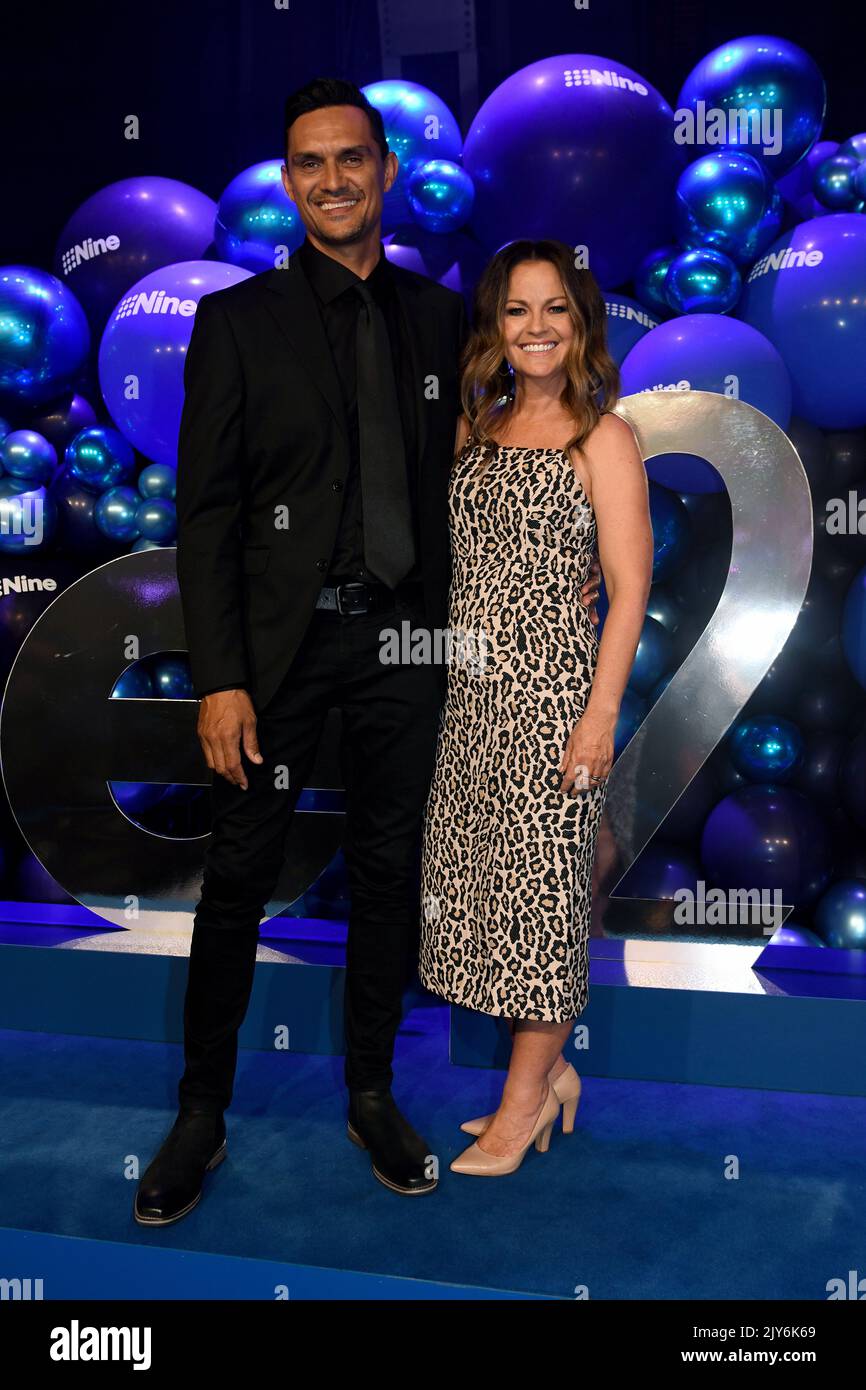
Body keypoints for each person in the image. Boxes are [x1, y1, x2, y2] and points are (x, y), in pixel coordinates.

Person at [134, 82, 602, 1223]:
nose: (333, 178)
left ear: (385, 170)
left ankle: (371, 1092)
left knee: (392, 873)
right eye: (309, 162)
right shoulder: (235, 323)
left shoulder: (443, 316)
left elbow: (526, 435)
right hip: (278, 656)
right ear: (288, 181)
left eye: (352, 158)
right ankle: (200, 1112)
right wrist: (223, 677)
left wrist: (588, 540)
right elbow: (207, 516)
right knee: (239, 876)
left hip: (409, 644)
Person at [419, 239, 653, 1176]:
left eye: (555, 308)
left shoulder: (605, 437)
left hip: (557, 705)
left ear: (580, 320)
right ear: (496, 327)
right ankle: (549, 1078)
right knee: (486, 904)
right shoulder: (474, 431)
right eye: (517, 311)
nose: (537, 328)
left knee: (546, 911)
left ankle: (520, 1110)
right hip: (470, 705)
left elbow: (629, 591)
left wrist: (599, 718)